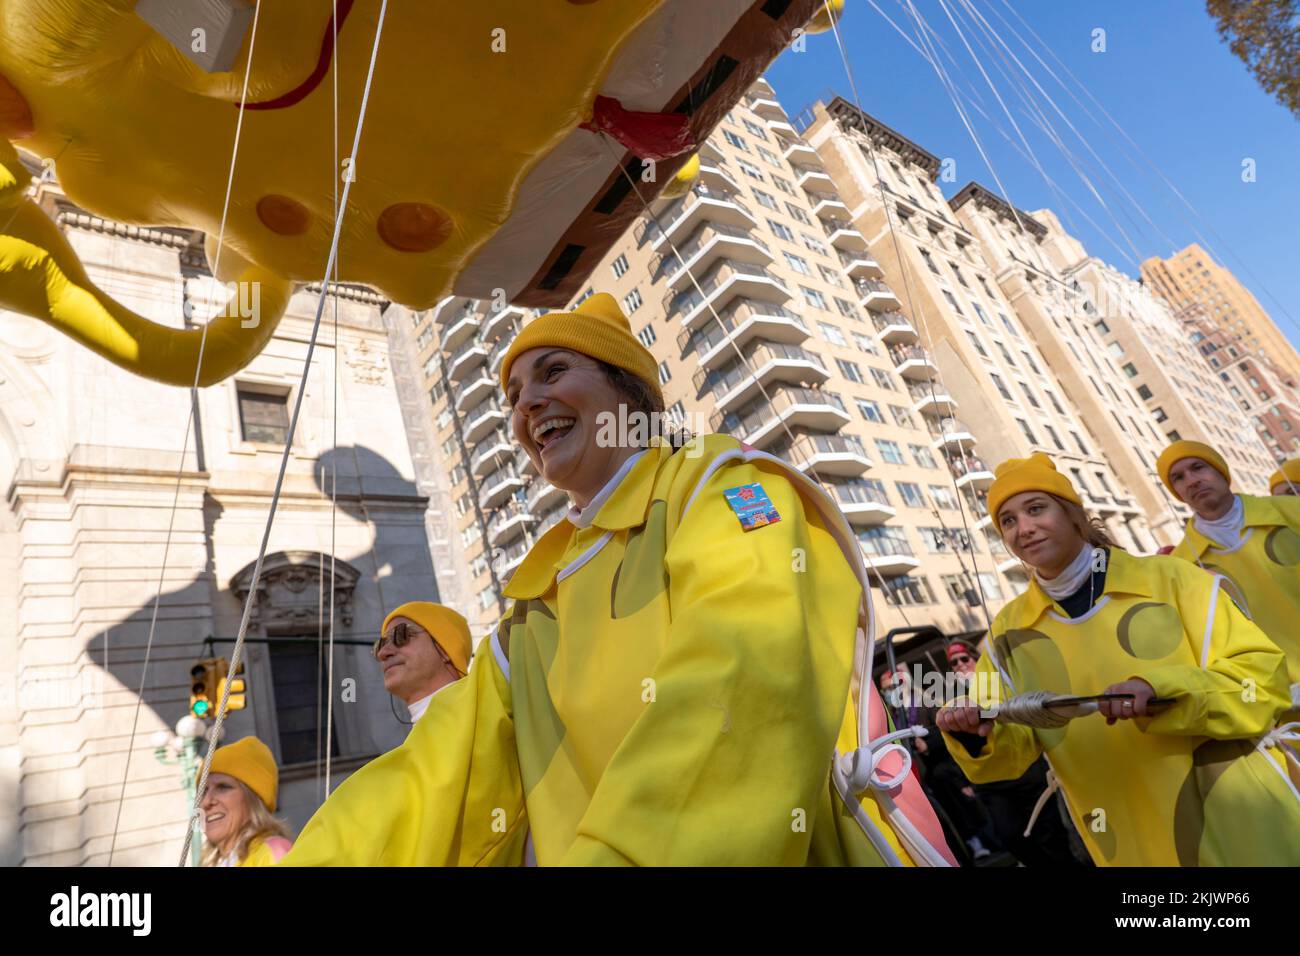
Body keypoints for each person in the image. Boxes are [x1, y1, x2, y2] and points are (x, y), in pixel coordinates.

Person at [280, 292, 955, 866]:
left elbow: (742, 686)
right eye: (513, 395)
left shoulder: (723, 490)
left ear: (628, 390)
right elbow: (429, 777)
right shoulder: (534, 605)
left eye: (553, 371)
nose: (527, 405)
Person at [937, 453, 1300, 866]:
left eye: (1036, 509)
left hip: (1239, 818)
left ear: (1073, 514)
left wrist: (1163, 691)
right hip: (1127, 841)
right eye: (1008, 521)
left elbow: (1260, 679)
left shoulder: (1171, 578)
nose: (1024, 529)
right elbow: (1006, 752)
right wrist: (970, 729)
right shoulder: (1005, 631)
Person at [1159, 440, 1300, 713]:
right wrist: (1255, 698)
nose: (1192, 481)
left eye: (1198, 467)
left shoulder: (1291, 511)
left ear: (1221, 472)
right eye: (1178, 478)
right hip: (1286, 703)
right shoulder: (1182, 566)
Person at [947, 640, 1089, 867]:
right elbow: (947, 740)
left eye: (964, 658)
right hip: (989, 780)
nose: (960, 665)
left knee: (1050, 835)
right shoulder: (948, 692)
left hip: (1027, 768)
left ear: (976, 658)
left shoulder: (1000, 676)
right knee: (1011, 837)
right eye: (954, 663)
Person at [200, 736, 293, 867]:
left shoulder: (273, 852)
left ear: (253, 799)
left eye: (223, 787)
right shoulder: (214, 863)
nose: (206, 802)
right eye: (202, 791)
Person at [376, 601, 471, 727]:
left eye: (400, 634)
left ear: (444, 648)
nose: (382, 653)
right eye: (380, 644)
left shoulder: (494, 713)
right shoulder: (414, 744)